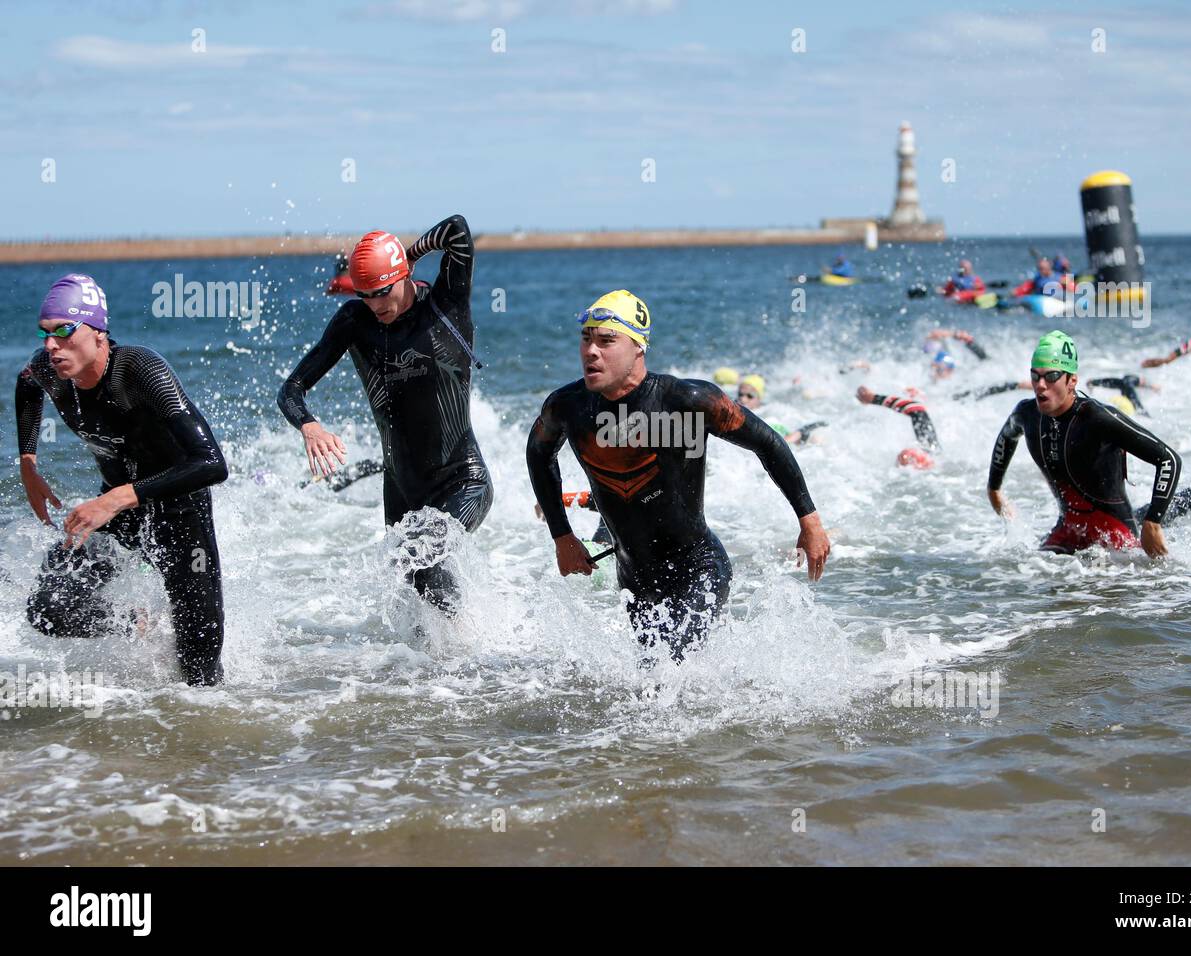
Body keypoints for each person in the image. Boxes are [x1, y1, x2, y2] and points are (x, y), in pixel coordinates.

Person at [525, 290, 830, 663]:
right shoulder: (568, 407)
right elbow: (539, 454)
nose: (591, 351)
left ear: (638, 348)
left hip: (698, 566)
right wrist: (563, 537)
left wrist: (809, 520)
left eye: (606, 341)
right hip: (634, 577)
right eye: (586, 339)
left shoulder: (687, 401)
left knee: (666, 671)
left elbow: (767, 442)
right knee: (657, 685)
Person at [16, 274, 228, 685]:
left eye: (63, 331)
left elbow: (211, 464)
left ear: (97, 333)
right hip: (115, 514)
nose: (50, 346)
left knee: (200, 675)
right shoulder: (50, 369)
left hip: (182, 518)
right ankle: (135, 622)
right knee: (48, 610)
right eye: (46, 333)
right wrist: (28, 462)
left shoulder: (140, 371)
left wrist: (115, 499)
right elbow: (26, 385)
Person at [277, 215, 492, 615]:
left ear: (402, 277)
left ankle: (463, 658)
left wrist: (408, 255)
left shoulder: (445, 302)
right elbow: (291, 389)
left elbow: (458, 231)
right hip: (402, 486)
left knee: (426, 561)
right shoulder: (354, 321)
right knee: (414, 590)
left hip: (462, 478)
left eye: (381, 291)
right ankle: (437, 672)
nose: (375, 305)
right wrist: (308, 424)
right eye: (364, 295)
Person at [987, 330, 1182, 557]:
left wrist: (1153, 522)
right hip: (1068, 530)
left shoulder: (1096, 417)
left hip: (1115, 536)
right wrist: (994, 488)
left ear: (1072, 381)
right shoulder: (1026, 414)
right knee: (1023, 577)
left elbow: (1168, 459)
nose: (1040, 385)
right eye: (1035, 376)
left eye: (1051, 377)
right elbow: (1007, 437)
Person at [855, 385, 940, 469]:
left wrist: (874, 399)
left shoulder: (932, 453)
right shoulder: (932, 450)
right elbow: (917, 410)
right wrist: (873, 398)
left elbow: (917, 409)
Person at [732, 373, 826, 446]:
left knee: (817, 439)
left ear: (759, 397)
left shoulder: (772, 410)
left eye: (750, 396)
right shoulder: (736, 410)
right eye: (740, 394)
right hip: (779, 440)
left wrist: (799, 433)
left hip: (786, 439)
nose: (743, 399)